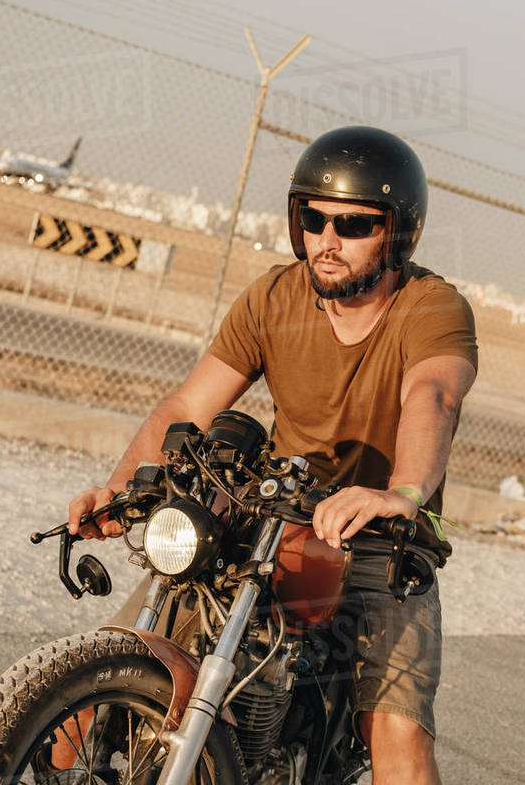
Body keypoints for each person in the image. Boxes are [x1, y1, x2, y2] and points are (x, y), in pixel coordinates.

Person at [68, 125, 477, 785]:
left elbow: (435, 394)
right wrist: (121, 492)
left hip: (381, 541)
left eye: (352, 224)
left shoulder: (432, 309)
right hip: (271, 518)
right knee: (102, 666)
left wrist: (400, 495)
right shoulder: (275, 297)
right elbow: (185, 408)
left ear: (396, 234)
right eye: (313, 218)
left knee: (396, 732)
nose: (327, 239)